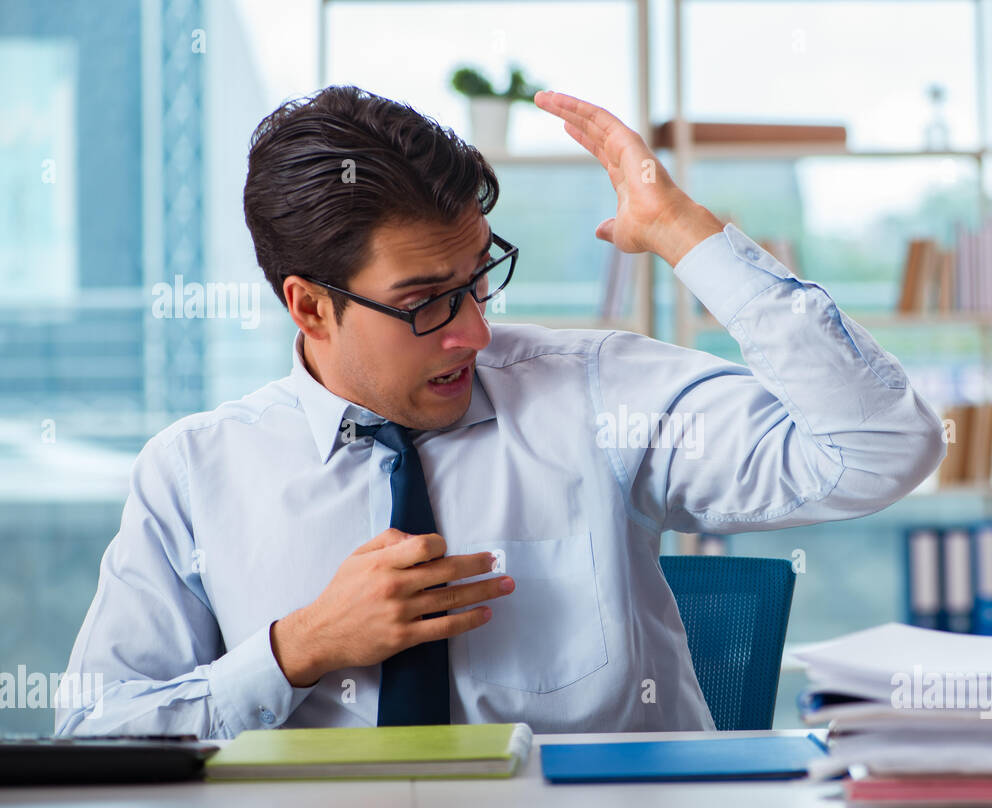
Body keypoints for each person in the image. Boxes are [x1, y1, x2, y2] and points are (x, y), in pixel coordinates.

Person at [56, 86, 945, 738]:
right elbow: (95, 733)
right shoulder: (193, 474)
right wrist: (297, 649)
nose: (475, 331)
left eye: (479, 276)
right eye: (425, 302)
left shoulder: (595, 394)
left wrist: (684, 231)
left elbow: (879, 447)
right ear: (311, 306)